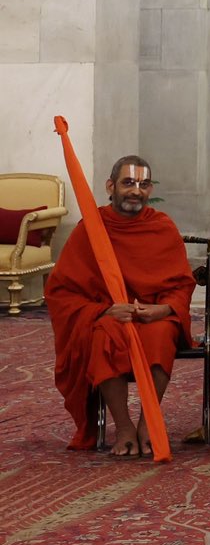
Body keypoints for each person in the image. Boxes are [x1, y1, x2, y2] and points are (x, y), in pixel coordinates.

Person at [47, 155, 196, 457]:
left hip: (153, 316)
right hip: (110, 316)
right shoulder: (91, 229)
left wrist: (163, 310)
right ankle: (124, 426)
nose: (136, 191)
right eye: (128, 183)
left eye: (143, 184)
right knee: (106, 334)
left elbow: (182, 285)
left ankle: (148, 423)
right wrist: (104, 310)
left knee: (161, 333)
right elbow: (61, 291)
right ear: (110, 186)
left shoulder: (162, 227)